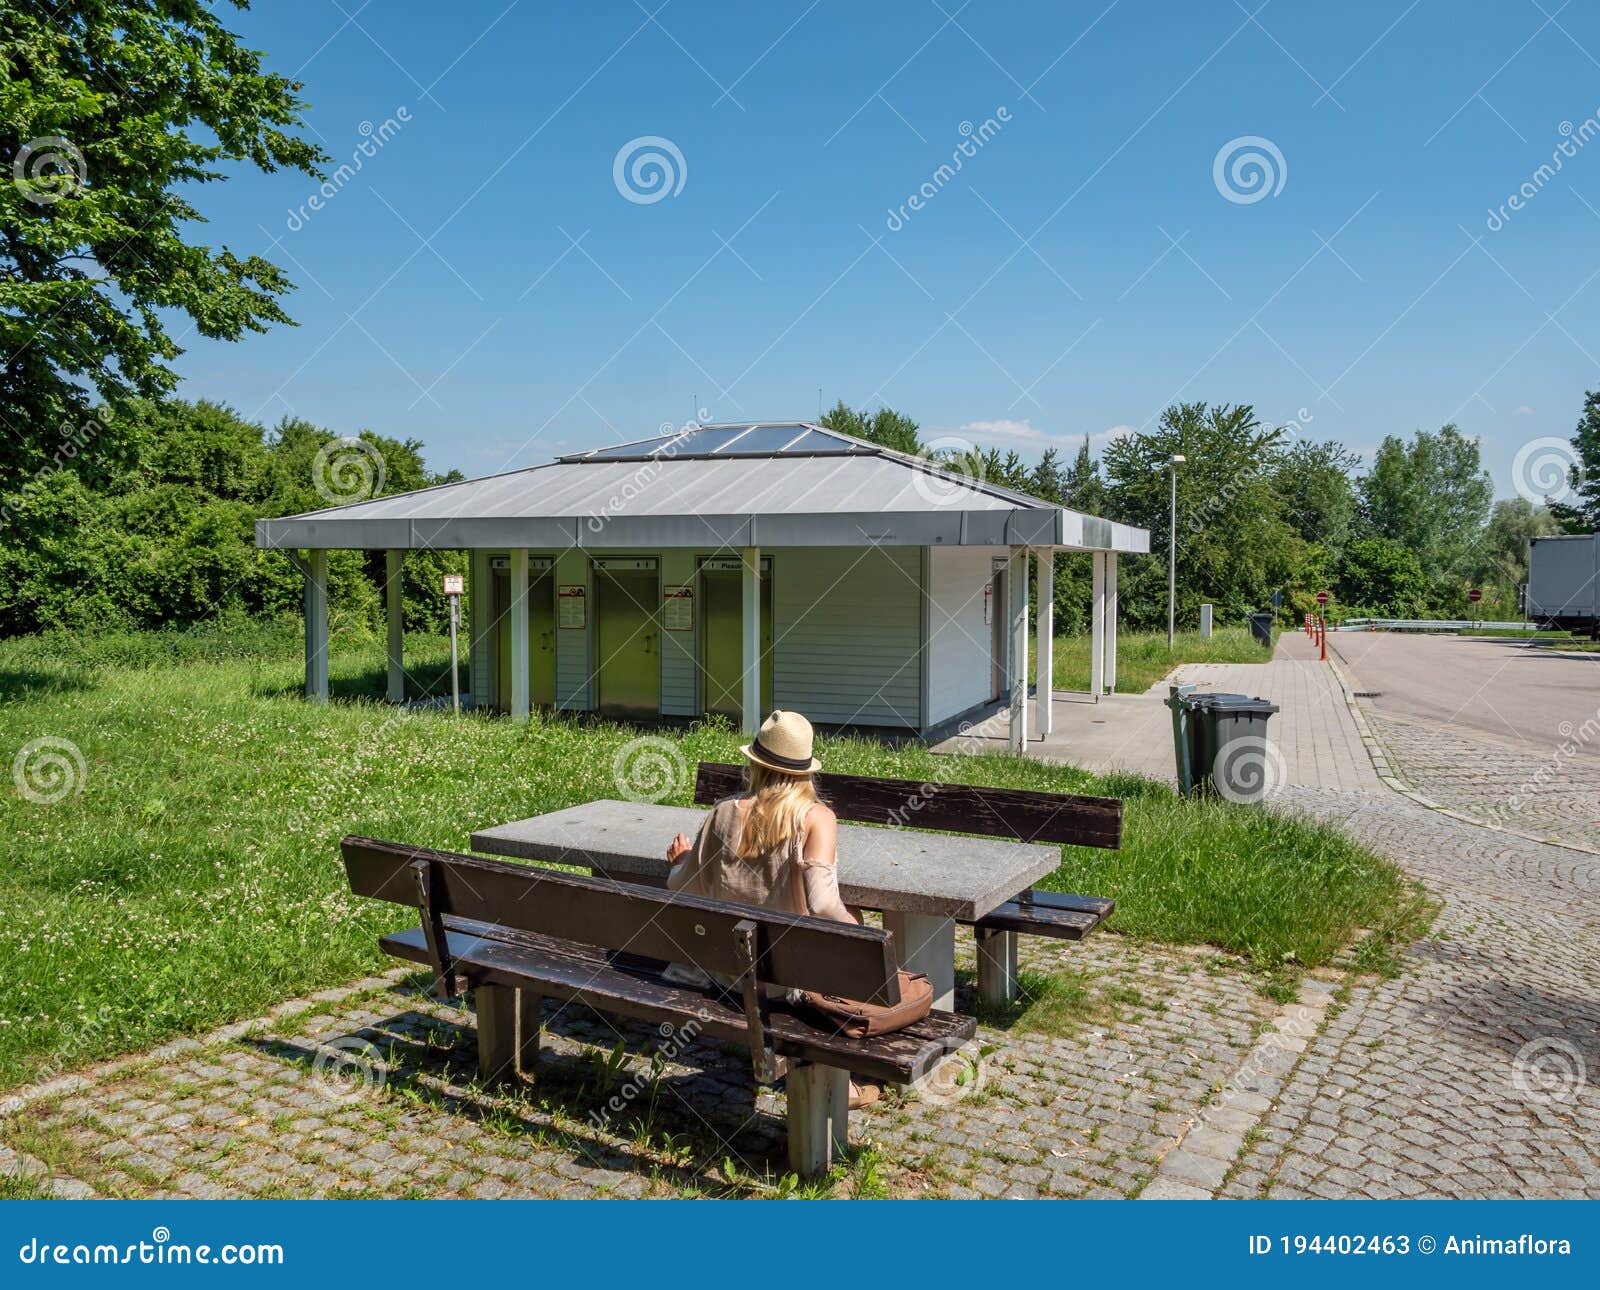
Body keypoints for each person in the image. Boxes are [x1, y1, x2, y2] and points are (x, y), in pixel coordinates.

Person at [664, 709, 875, 1106]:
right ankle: (838, 1084)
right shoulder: (816, 818)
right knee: (855, 924)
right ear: (806, 770)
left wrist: (680, 860)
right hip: (786, 985)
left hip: (726, 973)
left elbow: (680, 886)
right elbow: (824, 904)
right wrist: (868, 940)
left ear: (754, 763)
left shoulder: (722, 812)